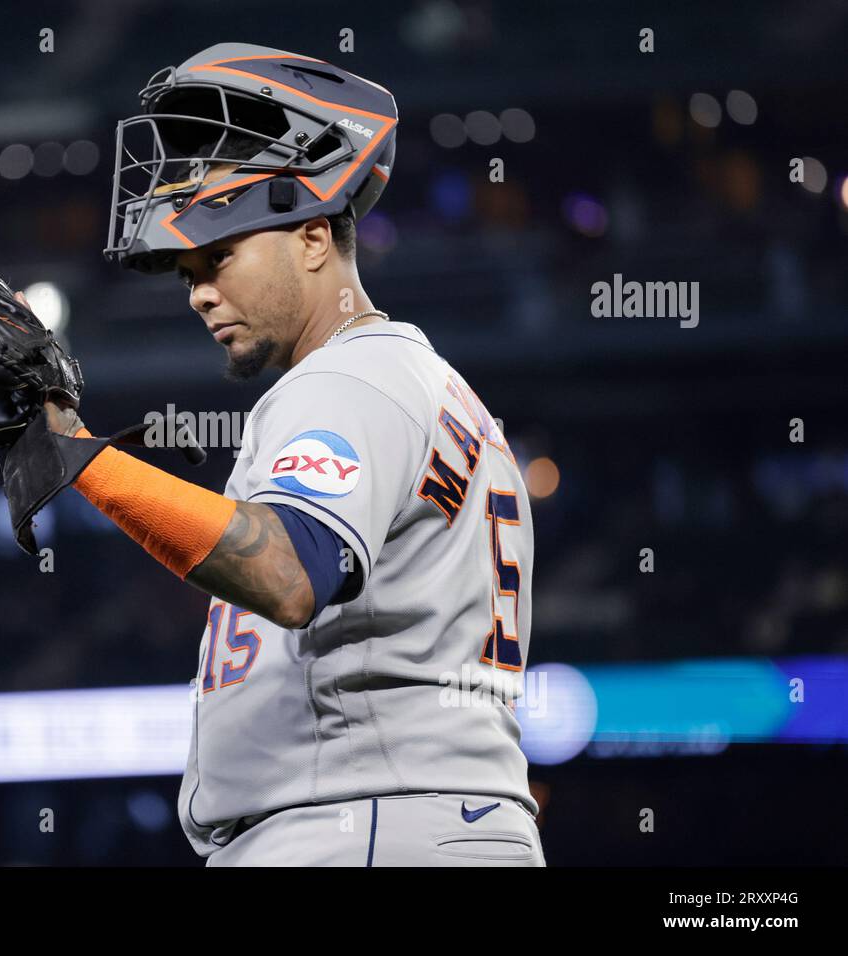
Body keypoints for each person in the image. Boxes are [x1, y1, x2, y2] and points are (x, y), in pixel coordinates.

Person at [46, 42, 544, 866]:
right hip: (421, 820)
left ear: (314, 238)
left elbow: (286, 571)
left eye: (220, 256)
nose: (200, 293)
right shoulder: (424, 386)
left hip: (362, 826)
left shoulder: (350, 376)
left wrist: (76, 457)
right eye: (187, 274)